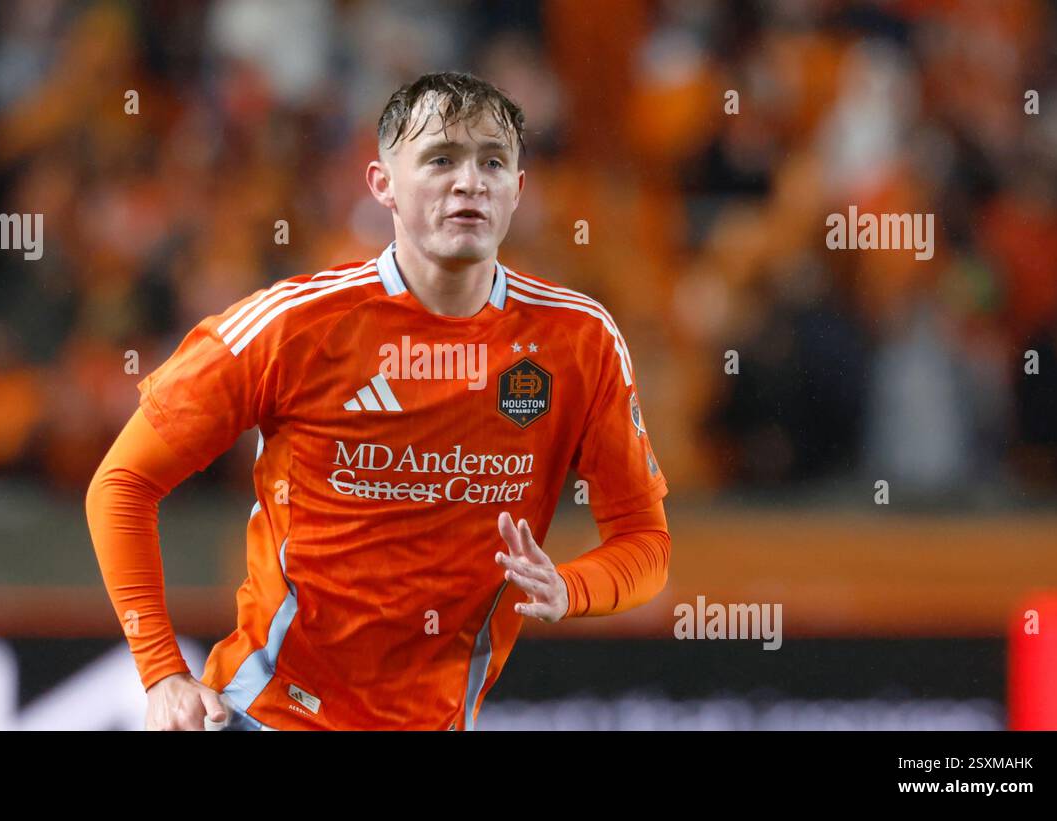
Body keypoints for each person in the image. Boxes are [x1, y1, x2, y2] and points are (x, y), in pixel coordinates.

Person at [86, 71, 671, 730]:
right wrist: (162, 670)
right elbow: (121, 483)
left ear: (517, 192)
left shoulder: (579, 341)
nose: (470, 181)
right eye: (441, 159)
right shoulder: (292, 325)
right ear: (382, 184)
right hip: (269, 714)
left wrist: (572, 587)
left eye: (493, 162)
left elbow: (645, 543)